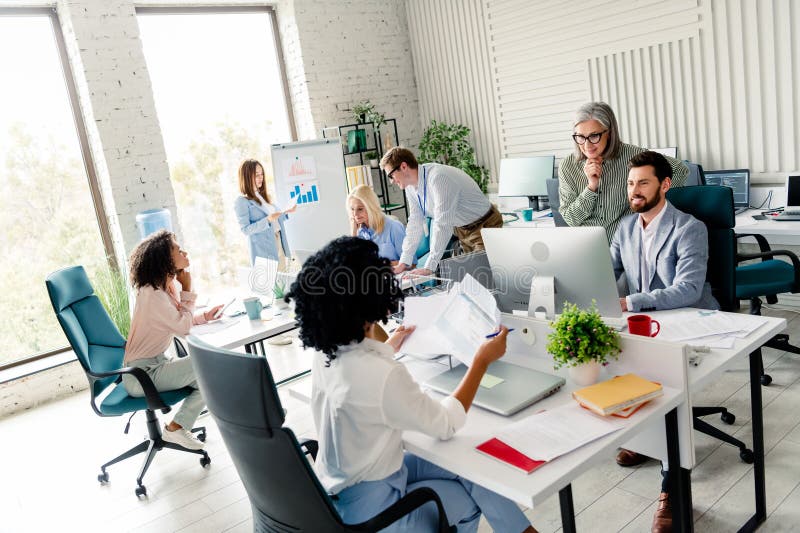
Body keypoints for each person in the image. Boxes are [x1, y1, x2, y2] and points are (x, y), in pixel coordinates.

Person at [286, 236, 536, 533]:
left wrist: (388, 346)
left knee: (471, 465)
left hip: (343, 497)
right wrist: (481, 361)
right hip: (377, 517)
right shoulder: (381, 374)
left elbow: (361, 376)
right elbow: (446, 424)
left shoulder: (326, 355)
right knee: (469, 495)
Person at [610, 151, 719, 533]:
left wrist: (630, 301)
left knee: (666, 382)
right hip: (647, 323)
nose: (634, 191)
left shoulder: (689, 228)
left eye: (643, 182)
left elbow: (688, 289)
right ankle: (646, 437)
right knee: (609, 360)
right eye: (630, 183)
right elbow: (607, 272)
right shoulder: (625, 228)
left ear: (665, 184)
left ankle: (671, 489)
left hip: (688, 321)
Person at [123, 230, 223, 450]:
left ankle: (177, 426)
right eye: (178, 249)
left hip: (155, 366)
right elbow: (183, 327)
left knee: (209, 379)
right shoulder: (153, 295)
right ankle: (177, 428)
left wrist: (204, 317)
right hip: (142, 375)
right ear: (165, 259)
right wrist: (187, 289)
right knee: (208, 364)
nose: (184, 252)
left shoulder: (162, 288)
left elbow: (176, 321)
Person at [558, 102, 689, 243]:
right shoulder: (567, 166)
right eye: (580, 137)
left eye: (594, 136)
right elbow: (571, 219)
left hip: (626, 245)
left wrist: (645, 205)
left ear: (609, 133)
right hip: (587, 247)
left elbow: (679, 170)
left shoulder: (633, 156)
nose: (587, 145)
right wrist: (591, 187)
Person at [380, 147, 502, 276]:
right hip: (462, 230)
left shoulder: (438, 177)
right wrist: (404, 262)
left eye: (391, 175)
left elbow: (442, 224)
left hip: (484, 224)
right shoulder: (410, 187)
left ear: (403, 166)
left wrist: (429, 267)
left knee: (483, 277)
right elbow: (414, 223)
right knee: (472, 279)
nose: (391, 181)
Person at [234, 158, 297, 269]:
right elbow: (245, 229)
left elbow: (275, 218)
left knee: (283, 276)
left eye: (262, 174)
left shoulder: (265, 196)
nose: (261, 178)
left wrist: (286, 212)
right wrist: (268, 220)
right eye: (256, 175)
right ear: (246, 177)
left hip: (279, 240)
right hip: (263, 248)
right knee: (271, 278)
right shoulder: (242, 201)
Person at [347, 184, 408, 264]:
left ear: (371, 207)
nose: (355, 214)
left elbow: (410, 263)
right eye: (352, 209)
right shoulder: (358, 233)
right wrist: (353, 233)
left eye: (360, 209)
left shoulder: (394, 227)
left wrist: (379, 265)